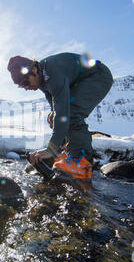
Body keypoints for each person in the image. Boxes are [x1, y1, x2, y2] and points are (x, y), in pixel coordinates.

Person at [7, 52, 113, 181]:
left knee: (72, 113)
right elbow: (56, 108)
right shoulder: (41, 78)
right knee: (53, 117)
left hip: (98, 76)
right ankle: (68, 152)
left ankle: (82, 163)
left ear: (34, 69)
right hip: (79, 80)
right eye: (21, 86)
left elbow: (63, 114)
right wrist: (54, 117)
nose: (25, 88)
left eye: (25, 82)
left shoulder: (53, 73)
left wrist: (50, 150)